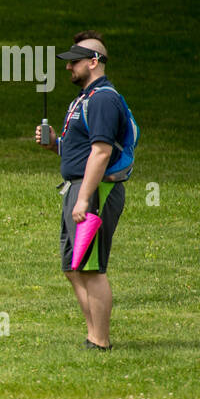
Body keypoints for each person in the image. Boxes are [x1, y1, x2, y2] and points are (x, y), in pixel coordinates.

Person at [35, 31, 126, 350]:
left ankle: (99, 341)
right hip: (76, 186)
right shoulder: (83, 100)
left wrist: (85, 197)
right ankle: (92, 334)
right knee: (73, 267)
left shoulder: (103, 98)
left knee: (91, 268)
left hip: (95, 190)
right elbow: (81, 151)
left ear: (94, 61)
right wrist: (55, 146)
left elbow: (101, 152)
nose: (68, 67)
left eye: (74, 61)